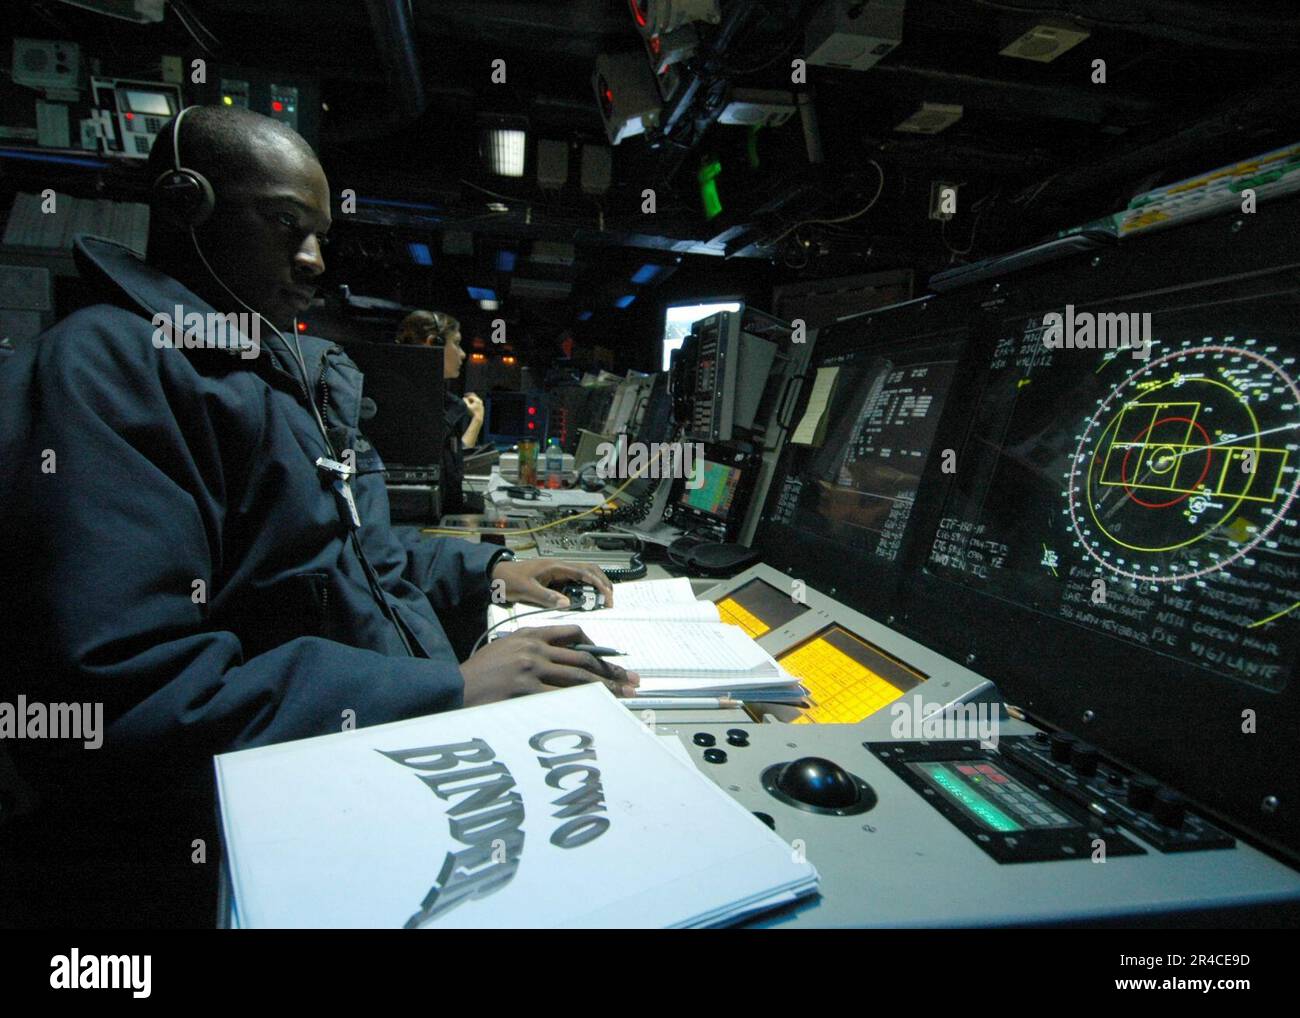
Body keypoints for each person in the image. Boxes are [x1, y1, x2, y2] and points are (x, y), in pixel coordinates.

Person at [0, 105, 632, 927]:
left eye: (319, 233)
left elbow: (343, 556)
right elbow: (130, 693)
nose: (313, 261)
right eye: (285, 225)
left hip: (373, 752)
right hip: (239, 836)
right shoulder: (112, 367)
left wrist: (487, 569)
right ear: (186, 204)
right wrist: (443, 689)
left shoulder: (266, 368)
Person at [394, 309, 484, 515]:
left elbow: (451, 458)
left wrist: (476, 419)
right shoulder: (407, 401)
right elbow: (428, 448)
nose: (463, 354)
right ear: (433, 343)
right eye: (457, 343)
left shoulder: (440, 401)